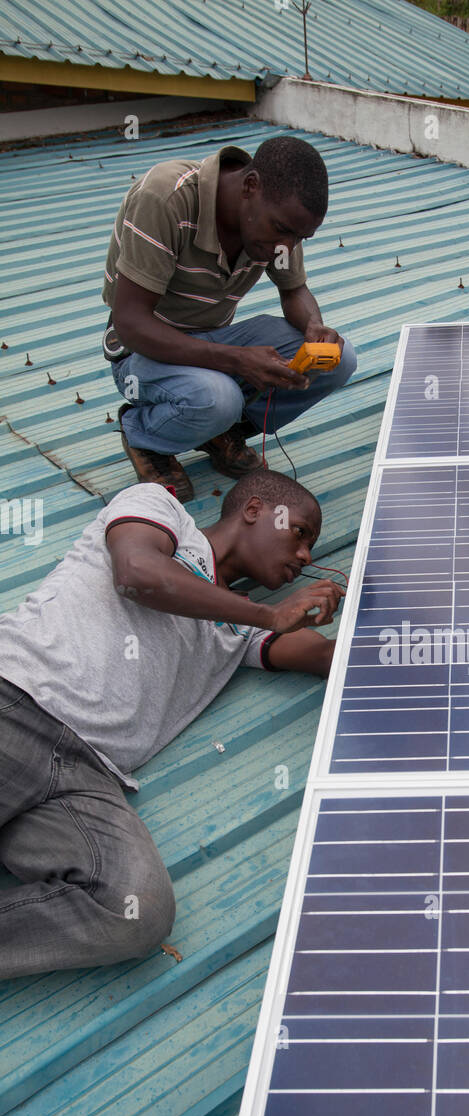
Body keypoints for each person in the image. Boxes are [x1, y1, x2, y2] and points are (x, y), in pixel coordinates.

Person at [0, 468, 344, 980]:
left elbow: (326, 657)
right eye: (300, 532)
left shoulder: (239, 628)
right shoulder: (161, 512)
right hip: (20, 704)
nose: (306, 557)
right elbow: (137, 573)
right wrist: (271, 616)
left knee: (136, 910)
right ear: (254, 509)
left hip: (89, 778)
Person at [103, 134, 357, 501]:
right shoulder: (165, 197)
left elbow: (294, 291)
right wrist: (238, 360)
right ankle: (143, 432)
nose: (286, 248)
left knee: (340, 358)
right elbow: (130, 322)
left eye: (302, 238)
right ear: (250, 186)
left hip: (211, 343)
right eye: (283, 230)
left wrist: (313, 326)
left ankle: (221, 432)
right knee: (219, 399)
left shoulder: (278, 226)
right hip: (141, 351)